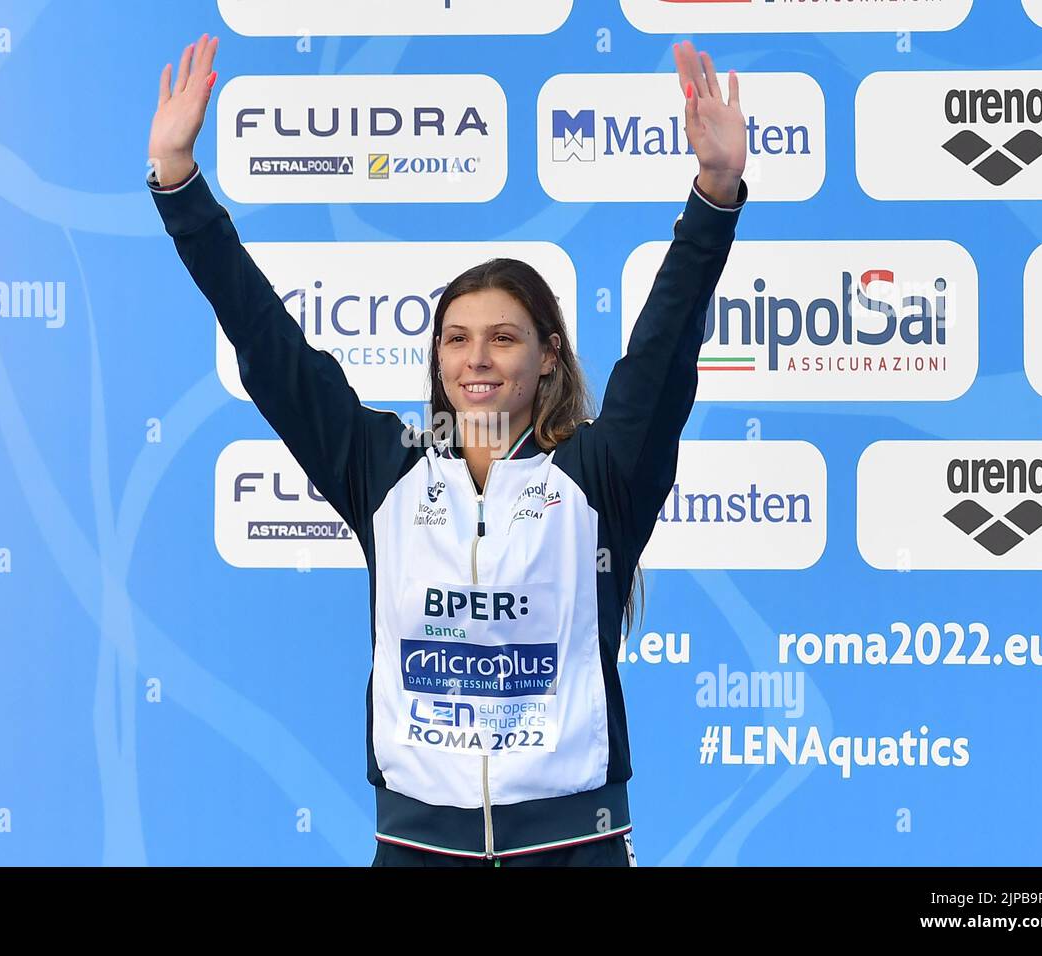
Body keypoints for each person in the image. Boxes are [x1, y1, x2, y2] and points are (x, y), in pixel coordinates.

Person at [147, 33, 747, 867]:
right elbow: (268, 346)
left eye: (504, 338)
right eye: (457, 339)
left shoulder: (600, 475)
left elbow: (666, 344)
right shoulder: (384, 470)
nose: (477, 358)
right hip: (415, 846)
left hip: (576, 845)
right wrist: (180, 186)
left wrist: (715, 193)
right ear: (436, 360)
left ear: (547, 359)